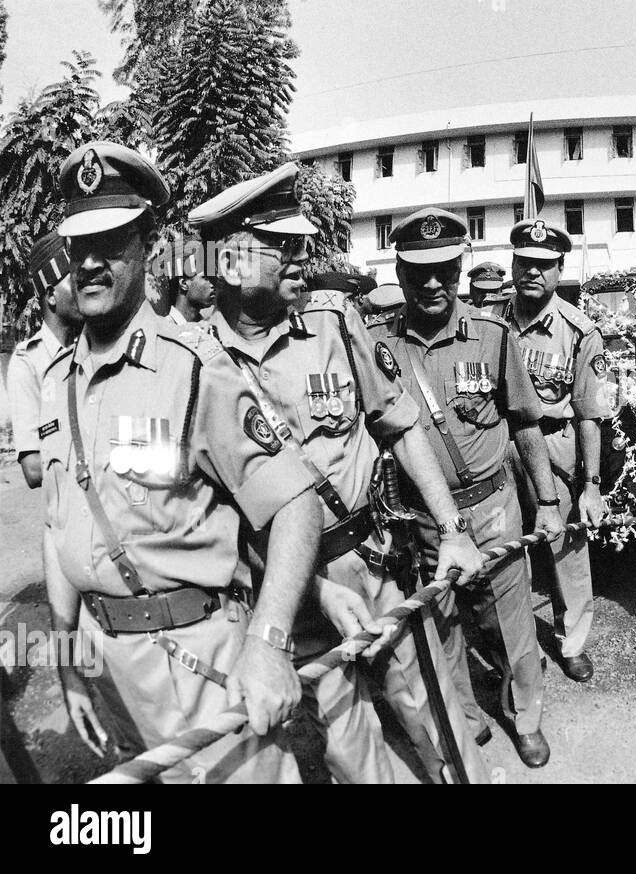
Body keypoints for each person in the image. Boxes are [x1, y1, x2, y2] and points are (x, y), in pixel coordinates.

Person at [190, 166, 487, 784]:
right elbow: (215, 518)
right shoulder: (193, 364)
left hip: (379, 562)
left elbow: (400, 426)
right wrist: (312, 589)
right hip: (290, 595)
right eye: (282, 246)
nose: (303, 255)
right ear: (232, 260)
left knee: (436, 719)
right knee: (352, 752)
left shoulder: (333, 321)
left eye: (302, 242)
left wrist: (453, 528)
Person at [42, 141, 323, 783]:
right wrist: (66, 662)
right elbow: (59, 529)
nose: (88, 263)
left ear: (147, 241)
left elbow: (295, 502)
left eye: (111, 240)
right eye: (78, 244)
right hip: (107, 663)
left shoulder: (194, 368)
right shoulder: (57, 381)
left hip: (201, 663)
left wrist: (269, 641)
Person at [373, 207, 564, 768]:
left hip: (493, 507)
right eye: (418, 273)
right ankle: (468, 719)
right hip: (424, 520)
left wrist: (548, 503)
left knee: (512, 625)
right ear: (401, 273)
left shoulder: (491, 334)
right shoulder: (378, 347)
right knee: (443, 625)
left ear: (461, 267)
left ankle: (525, 716)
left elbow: (526, 424)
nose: (433, 284)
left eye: (446, 271)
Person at [502, 218, 611, 683]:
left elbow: (589, 412)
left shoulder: (580, 331)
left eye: (544, 265)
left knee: (566, 548)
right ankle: (517, 645)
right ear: (513, 263)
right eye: (525, 262)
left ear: (559, 269)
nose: (533, 272)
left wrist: (591, 485)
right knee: (507, 550)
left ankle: (573, 641)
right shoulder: (488, 320)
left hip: (554, 445)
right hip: (498, 443)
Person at [7, 232, 80, 488]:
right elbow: (33, 469)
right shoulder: (28, 362)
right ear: (51, 295)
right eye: (75, 281)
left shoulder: (90, 349)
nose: (85, 288)